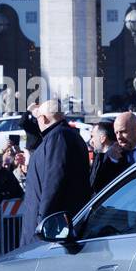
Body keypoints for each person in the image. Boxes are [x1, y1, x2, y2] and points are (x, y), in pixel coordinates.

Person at [20, 99, 93, 245]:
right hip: (54, 226)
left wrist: (42, 223)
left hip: (50, 230)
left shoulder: (58, 138)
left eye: (38, 119)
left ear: (43, 118)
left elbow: (53, 183)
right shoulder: (64, 135)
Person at [89, 121, 127, 192]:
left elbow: (95, 185)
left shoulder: (117, 158)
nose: (91, 141)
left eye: (93, 136)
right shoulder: (99, 156)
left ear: (103, 138)